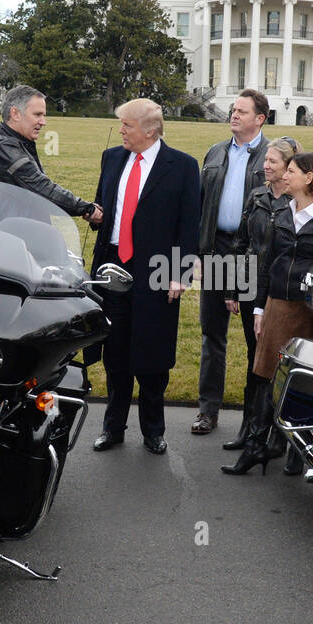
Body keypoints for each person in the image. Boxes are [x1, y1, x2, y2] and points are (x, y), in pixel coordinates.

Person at [224, 152, 313, 475]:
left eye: (291, 171)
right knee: (265, 376)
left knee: (304, 382)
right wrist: (259, 308)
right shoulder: (282, 213)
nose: (285, 176)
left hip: (310, 310)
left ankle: (297, 451)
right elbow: (268, 265)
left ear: (309, 178)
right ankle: (254, 447)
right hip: (278, 305)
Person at [90, 99, 201, 456]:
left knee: (152, 356)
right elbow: (103, 206)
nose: (121, 130)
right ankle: (113, 427)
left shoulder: (182, 167)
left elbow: (189, 225)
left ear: (150, 130)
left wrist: (180, 273)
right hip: (112, 268)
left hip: (157, 273)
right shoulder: (112, 157)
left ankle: (153, 430)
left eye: (127, 125)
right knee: (115, 353)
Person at [193, 89, 270, 436]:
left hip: (253, 254)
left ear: (260, 118)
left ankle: (253, 417)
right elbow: (200, 203)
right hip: (216, 251)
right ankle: (208, 410)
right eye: (233, 110)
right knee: (213, 334)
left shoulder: (273, 156)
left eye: (242, 111)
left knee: (256, 338)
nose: (234, 115)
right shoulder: (216, 151)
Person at [222, 136, 299, 456]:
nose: (264, 166)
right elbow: (240, 245)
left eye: (272, 162)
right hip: (253, 288)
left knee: (282, 364)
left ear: (288, 168)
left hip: (282, 294)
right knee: (256, 362)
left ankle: (279, 435)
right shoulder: (256, 196)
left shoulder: (296, 204)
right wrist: (232, 288)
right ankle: (249, 427)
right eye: (264, 161)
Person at [0, 84, 101, 224]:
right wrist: (86, 208)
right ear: (15, 114)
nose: (43, 122)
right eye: (37, 115)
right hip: (1, 239)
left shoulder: (15, 141)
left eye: (44, 115)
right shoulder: (1, 148)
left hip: (15, 234)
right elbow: (41, 189)